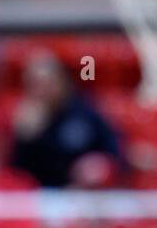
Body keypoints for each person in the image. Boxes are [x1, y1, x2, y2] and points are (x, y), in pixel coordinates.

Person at [7, 48, 125, 188]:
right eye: (36, 84)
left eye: (48, 82)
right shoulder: (24, 119)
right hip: (42, 197)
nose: (43, 90)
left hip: (86, 194)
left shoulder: (85, 111)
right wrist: (25, 139)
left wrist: (101, 164)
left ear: (62, 80)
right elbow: (14, 172)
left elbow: (116, 152)